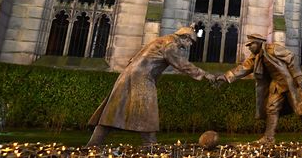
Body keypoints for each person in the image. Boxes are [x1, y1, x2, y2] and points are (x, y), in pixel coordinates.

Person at [86, 26, 218, 146]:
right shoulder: (170, 44)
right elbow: (182, 64)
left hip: (129, 75)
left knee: (114, 110)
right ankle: (150, 145)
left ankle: (93, 144)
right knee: (148, 110)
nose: (189, 45)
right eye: (190, 42)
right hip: (142, 77)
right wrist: (206, 75)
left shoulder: (164, 40)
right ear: (184, 37)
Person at [222, 34, 302, 143]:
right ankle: (269, 137)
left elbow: (291, 57)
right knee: (271, 109)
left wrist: (297, 76)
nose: (249, 47)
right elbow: (243, 68)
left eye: (251, 45)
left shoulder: (273, 49)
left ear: (258, 43)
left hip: (290, 83)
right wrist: (225, 77)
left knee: (301, 109)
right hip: (276, 85)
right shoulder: (255, 56)